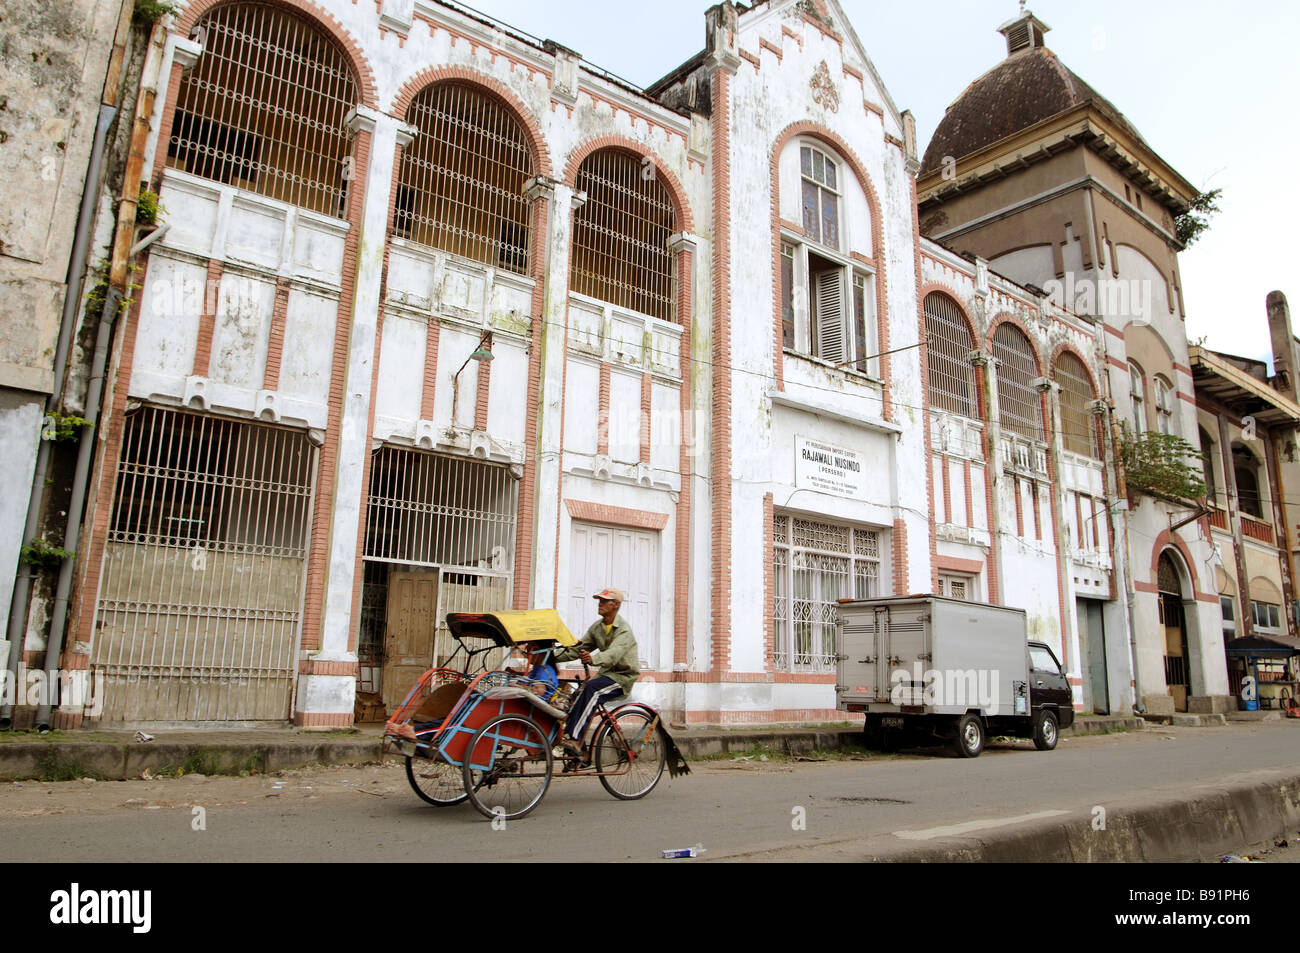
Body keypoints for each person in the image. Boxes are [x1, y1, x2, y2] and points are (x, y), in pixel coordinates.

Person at [553, 587, 640, 758]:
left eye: (603, 601)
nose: (599, 604)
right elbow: (578, 649)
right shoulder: (597, 627)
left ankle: (575, 740)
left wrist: (593, 659)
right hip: (605, 675)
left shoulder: (624, 630)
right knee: (574, 697)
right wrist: (550, 657)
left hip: (622, 677)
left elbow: (613, 654)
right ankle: (581, 753)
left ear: (615, 605)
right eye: (599, 601)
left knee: (592, 689)